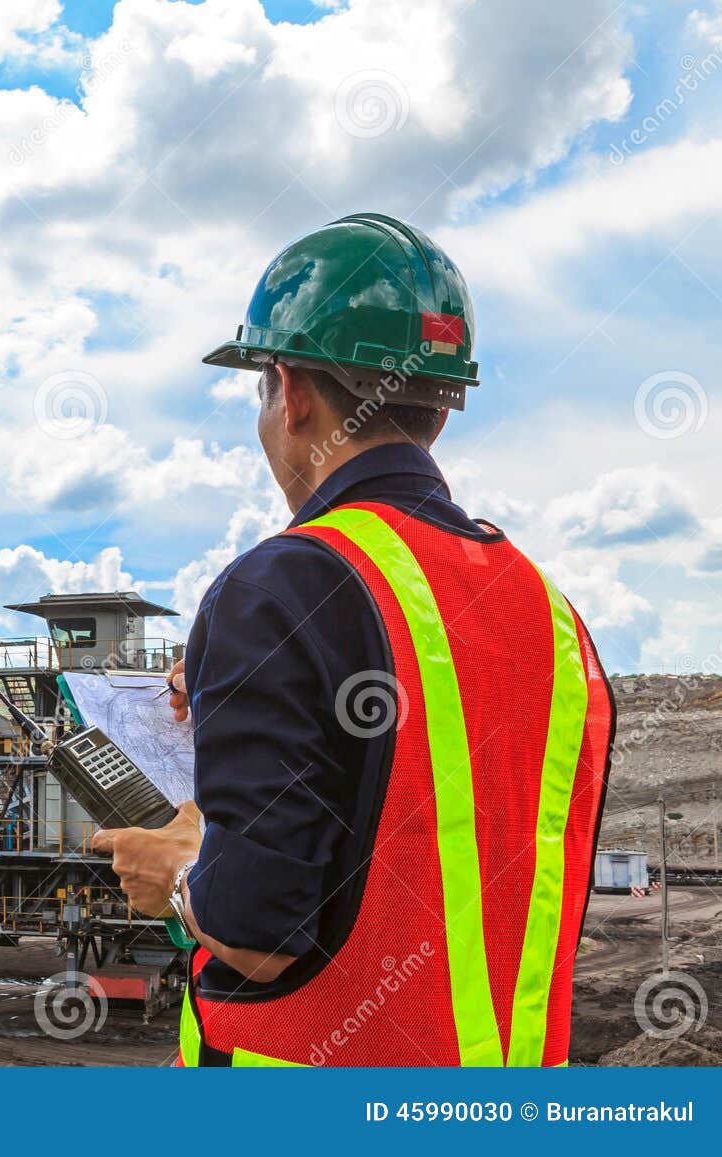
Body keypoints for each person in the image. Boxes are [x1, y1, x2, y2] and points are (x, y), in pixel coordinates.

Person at [92, 213, 614, 1067]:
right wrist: (243, 691)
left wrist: (183, 874)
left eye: (262, 388)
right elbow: (427, 795)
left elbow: (262, 931)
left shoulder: (278, 585)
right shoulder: (550, 615)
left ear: (291, 392)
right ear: (439, 411)